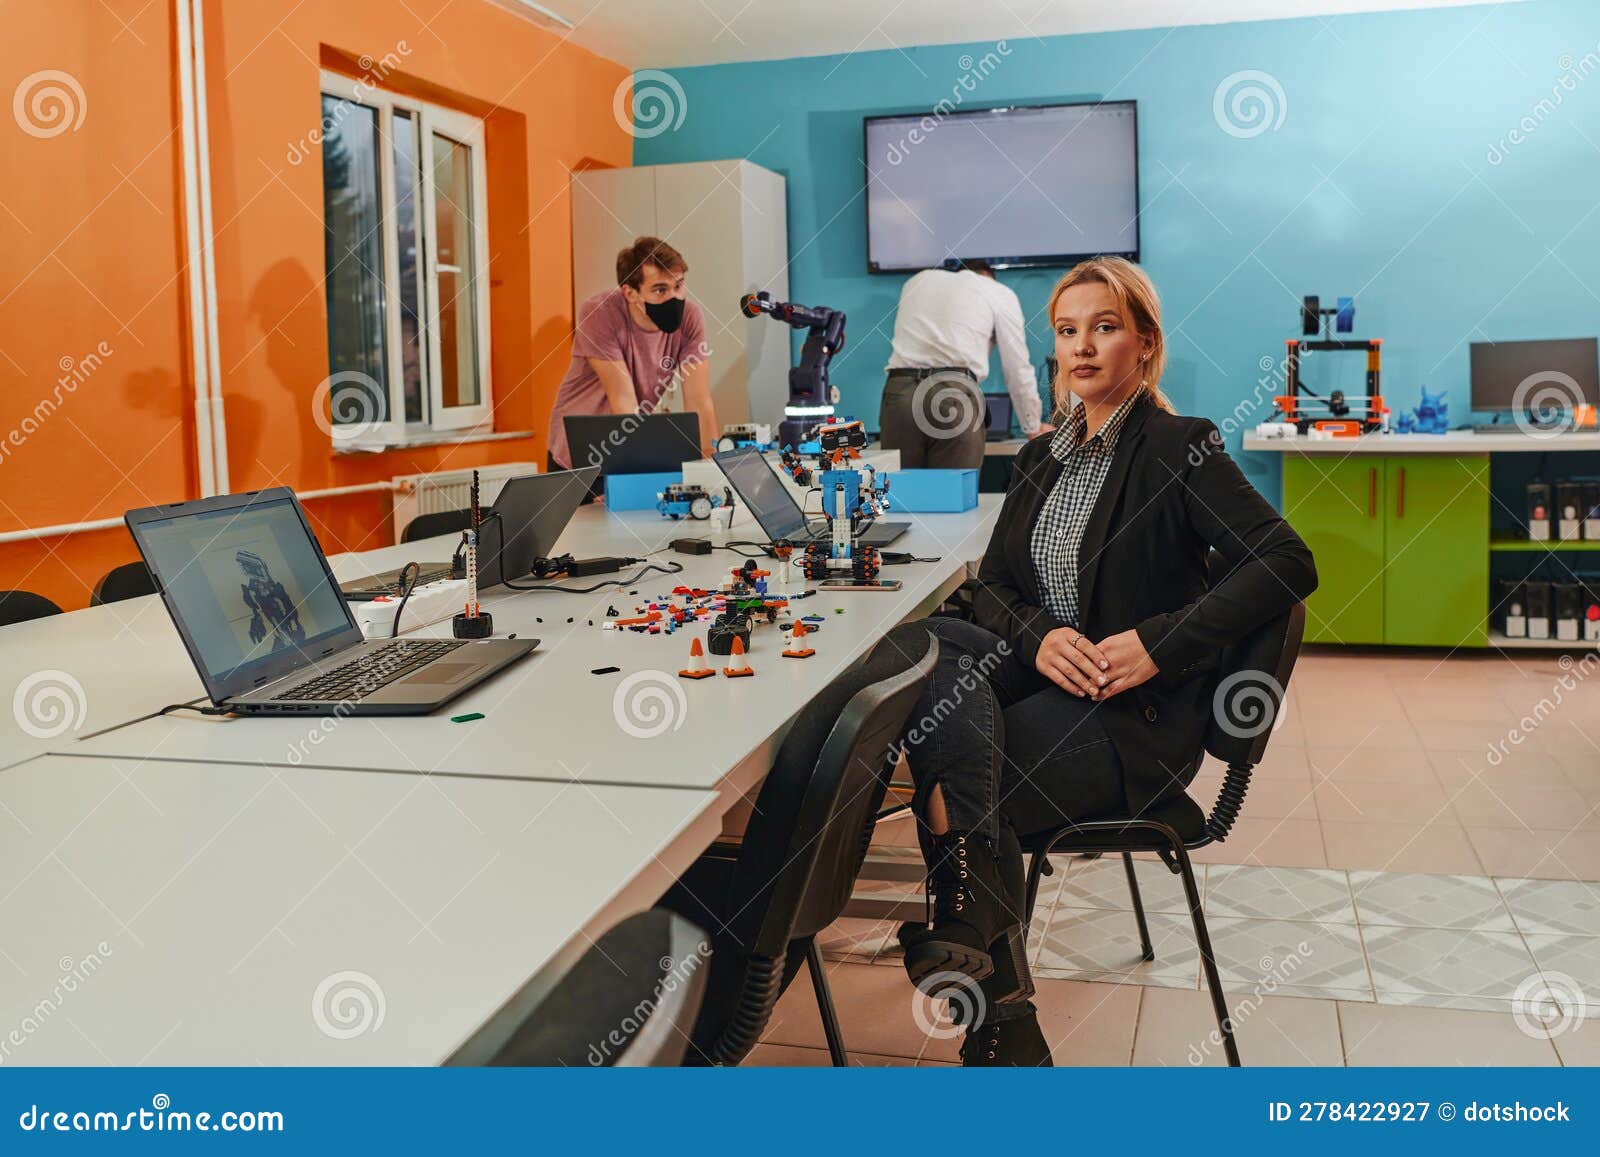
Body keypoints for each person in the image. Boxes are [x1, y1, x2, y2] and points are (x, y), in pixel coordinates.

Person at [880, 256, 1317, 1066]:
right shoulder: (1044, 456)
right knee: (927, 647)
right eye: (1068, 331)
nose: (1081, 348)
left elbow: (1286, 562)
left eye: (1104, 328)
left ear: (1145, 346)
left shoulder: (1179, 448)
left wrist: (1160, 642)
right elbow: (998, 586)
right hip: (1051, 671)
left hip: (1133, 718)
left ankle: (997, 1005)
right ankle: (982, 950)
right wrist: (1039, 636)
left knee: (958, 772)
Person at [546, 236, 719, 488]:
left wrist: (710, 470)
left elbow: (699, 400)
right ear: (630, 293)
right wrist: (628, 482)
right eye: (660, 289)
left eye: (679, 285)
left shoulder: (690, 317)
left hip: (629, 444)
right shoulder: (600, 314)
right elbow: (624, 401)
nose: (674, 297)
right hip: (578, 455)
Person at [879, 258, 1052, 469]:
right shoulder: (997, 291)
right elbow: (1016, 366)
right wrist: (1031, 425)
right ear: (988, 276)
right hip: (953, 393)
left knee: (898, 493)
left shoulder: (917, 281)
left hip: (899, 392)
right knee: (952, 496)